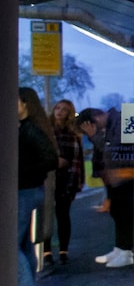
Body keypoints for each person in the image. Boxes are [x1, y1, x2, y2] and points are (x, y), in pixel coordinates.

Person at [17, 88, 59, 286]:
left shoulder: (30, 129)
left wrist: (21, 171)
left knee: (10, 245)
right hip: (30, 190)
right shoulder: (29, 128)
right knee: (22, 244)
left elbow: (50, 159)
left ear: (25, 104)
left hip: (24, 190)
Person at [79, 106, 134, 268]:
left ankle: (126, 250)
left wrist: (95, 136)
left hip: (126, 174)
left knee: (123, 211)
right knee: (118, 211)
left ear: (96, 119)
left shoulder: (120, 121)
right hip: (121, 175)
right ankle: (121, 248)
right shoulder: (115, 122)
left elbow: (113, 150)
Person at [48, 98, 84, 266]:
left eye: (64, 109)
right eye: (57, 108)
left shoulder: (73, 135)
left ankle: (63, 251)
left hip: (66, 179)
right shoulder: (47, 130)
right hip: (48, 178)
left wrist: (80, 180)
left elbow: (79, 159)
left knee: (63, 215)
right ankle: (46, 251)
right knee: (46, 215)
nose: (59, 111)